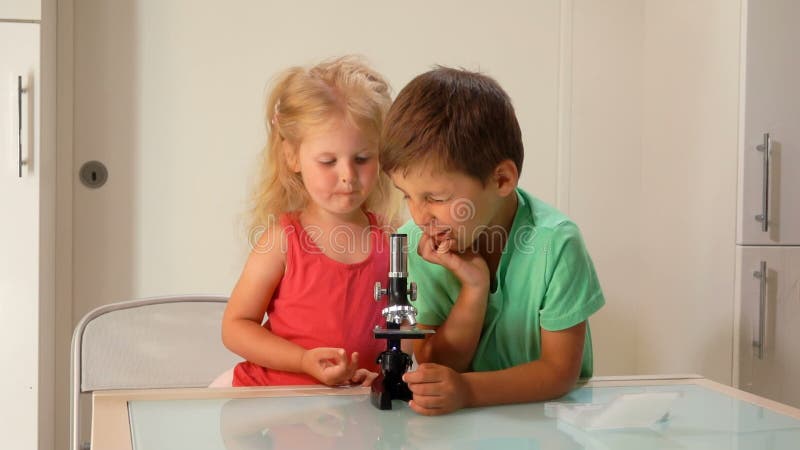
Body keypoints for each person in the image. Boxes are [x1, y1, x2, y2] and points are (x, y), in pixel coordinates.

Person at [379, 67, 605, 415]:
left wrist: (468, 391)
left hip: (551, 423)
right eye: (407, 195)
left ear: (501, 179)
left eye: (436, 198)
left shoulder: (556, 245)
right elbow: (436, 364)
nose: (420, 215)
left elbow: (560, 373)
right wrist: (473, 288)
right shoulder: (417, 242)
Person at [220, 56, 398, 387]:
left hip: (350, 414)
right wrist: (302, 361)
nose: (347, 176)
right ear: (292, 157)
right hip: (275, 402)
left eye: (362, 159)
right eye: (328, 161)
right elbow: (235, 327)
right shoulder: (283, 241)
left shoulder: (392, 239)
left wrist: (380, 375)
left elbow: (402, 330)